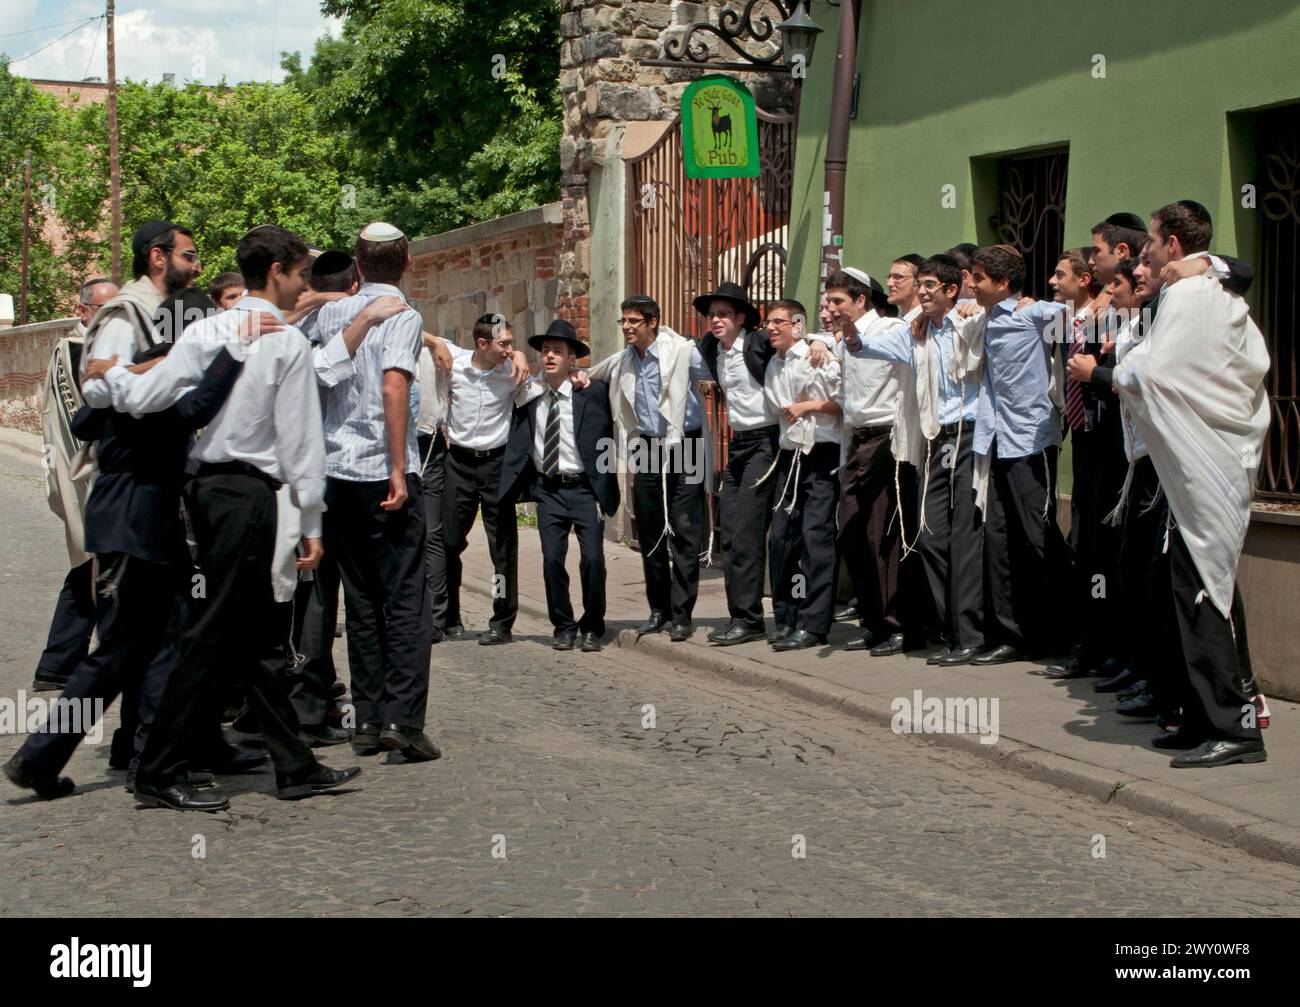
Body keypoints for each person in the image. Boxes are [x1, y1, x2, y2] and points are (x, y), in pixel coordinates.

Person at [85, 224, 363, 809]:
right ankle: (158, 767)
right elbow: (300, 440)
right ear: (278, 272)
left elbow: (146, 394)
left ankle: (293, 763)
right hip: (248, 496)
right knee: (212, 632)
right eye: (299, 273)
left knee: (252, 635)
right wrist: (310, 521)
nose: (304, 284)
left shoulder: (209, 327)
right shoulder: (284, 342)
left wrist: (107, 374)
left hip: (210, 491)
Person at [3, 223, 251, 802]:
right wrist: (192, 366)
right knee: (138, 643)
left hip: (151, 497)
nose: (196, 265)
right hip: (131, 497)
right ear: (159, 256)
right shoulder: (125, 314)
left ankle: (80, 757)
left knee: (141, 643)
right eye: (189, 255)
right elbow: (99, 394)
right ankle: (145, 765)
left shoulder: (164, 314)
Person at [1114, 201, 1269, 768]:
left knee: (1206, 594)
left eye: (1152, 241)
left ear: (1173, 243)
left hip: (1208, 466)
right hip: (1195, 469)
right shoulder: (1203, 288)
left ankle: (1236, 729)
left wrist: (1108, 374)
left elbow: (1157, 373)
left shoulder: (1192, 292)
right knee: (1187, 592)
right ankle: (1201, 716)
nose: (1146, 252)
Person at [312, 222, 439, 761]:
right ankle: (402, 722)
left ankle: (366, 719)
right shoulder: (403, 317)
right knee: (407, 601)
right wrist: (394, 467)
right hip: (383, 472)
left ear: (358, 266)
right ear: (407, 262)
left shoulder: (328, 314)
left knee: (360, 600)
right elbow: (394, 383)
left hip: (335, 473)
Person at [851, 255, 984, 665]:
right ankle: (949, 630)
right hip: (934, 439)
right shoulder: (914, 334)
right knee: (930, 536)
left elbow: (1016, 314)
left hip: (970, 434)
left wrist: (976, 306)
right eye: (921, 284)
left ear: (952, 289)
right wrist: (834, 333)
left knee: (965, 537)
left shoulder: (971, 321)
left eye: (931, 285)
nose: (924, 291)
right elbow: (862, 345)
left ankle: (970, 636)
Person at [964, 244, 1071, 665]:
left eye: (978, 278)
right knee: (998, 539)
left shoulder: (1032, 314)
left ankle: (1064, 632)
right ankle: (1010, 634)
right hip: (995, 441)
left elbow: (1086, 320)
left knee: (1039, 536)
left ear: (1003, 283)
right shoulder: (983, 317)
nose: (970, 284)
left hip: (1030, 442)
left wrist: (1058, 303)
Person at [583, 295, 712, 642]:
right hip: (647, 445)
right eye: (623, 321)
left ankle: (683, 614)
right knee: (650, 527)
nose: (626, 327)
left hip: (687, 443)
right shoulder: (624, 360)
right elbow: (590, 374)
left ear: (652, 322)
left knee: (686, 528)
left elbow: (718, 368)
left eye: (633, 321)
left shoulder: (683, 351)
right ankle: (660, 610)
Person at [500, 320, 620, 651]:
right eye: (546, 351)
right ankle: (563, 626)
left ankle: (593, 626)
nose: (550, 356)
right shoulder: (529, 391)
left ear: (572, 359)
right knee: (552, 559)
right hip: (548, 489)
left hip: (584, 489)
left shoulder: (592, 391)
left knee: (593, 559)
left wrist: (605, 481)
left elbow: (622, 382)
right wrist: (519, 355)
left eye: (559, 351)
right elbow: (494, 360)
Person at [827, 268, 924, 655]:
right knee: (852, 532)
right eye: (829, 301)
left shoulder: (889, 329)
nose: (831, 309)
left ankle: (896, 625)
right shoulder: (840, 339)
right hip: (857, 440)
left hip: (886, 438)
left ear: (862, 300)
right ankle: (873, 620)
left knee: (880, 533)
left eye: (839, 302)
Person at [32, 277, 118, 693]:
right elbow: (86, 422)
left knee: (91, 566)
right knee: (95, 566)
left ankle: (61, 661)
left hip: (91, 479)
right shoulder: (75, 349)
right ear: (83, 312)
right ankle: (82, 662)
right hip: (87, 478)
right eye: (104, 310)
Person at [696, 282, 779, 646]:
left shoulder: (758, 343)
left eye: (724, 315)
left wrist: (820, 342)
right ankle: (739, 615)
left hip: (767, 441)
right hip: (739, 445)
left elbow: (798, 341)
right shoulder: (711, 348)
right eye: (712, 315)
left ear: (741, 318)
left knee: (747, 531)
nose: (715, 321)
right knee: (728, 531)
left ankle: (750, 619)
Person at [440, 313, 531, 646]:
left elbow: (538, 394)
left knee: (502, 549)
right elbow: (419, 333)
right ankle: (449, 614)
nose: (510, 349)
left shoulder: (512, 372)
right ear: (482, 344)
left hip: (496, 466)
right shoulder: (455, 363)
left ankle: (501, 620)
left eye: (511, 343)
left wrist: (519, 356)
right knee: (448, 543)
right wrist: (435, 341)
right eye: (504, 343)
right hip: (459, 464)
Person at [763, 300, 843, 651]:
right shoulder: (773, 364)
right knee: (782, 539)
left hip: (821, 455)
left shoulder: (818, 354)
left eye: (779, 322)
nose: (771, 328)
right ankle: (788, 615)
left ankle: (814, 623)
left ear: (797, 325)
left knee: (816, 540)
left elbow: (843, 403)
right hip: (790, 456)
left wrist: (808, 406)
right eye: (768, 322)